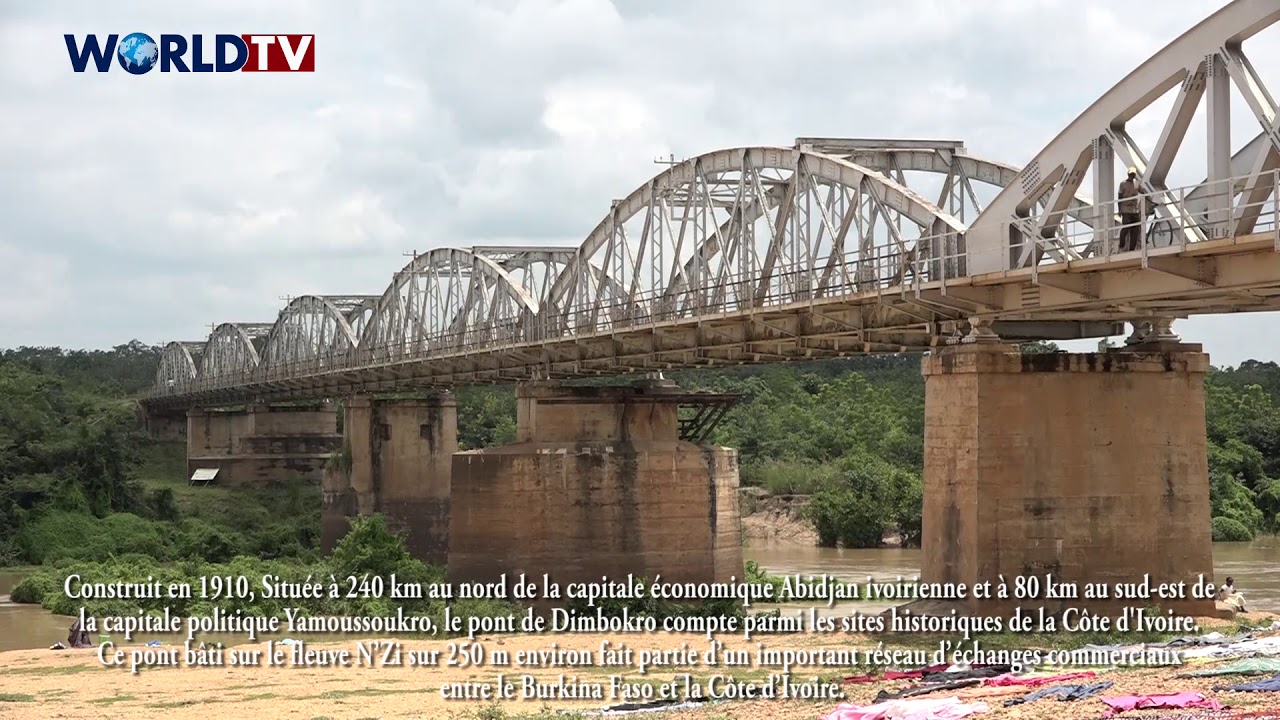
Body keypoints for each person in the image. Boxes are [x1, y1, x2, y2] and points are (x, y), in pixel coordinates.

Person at [1118, 167, 1143, 252]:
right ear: (1128, 174)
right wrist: (1119, 209)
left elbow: (1142, 191)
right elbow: (1120, 197)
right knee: (1126, 227)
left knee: (1135, 229)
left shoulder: (1137, 183)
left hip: (1134, 210)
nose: (1132, 175)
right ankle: (1121, 244)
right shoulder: (1123, 184)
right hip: (1126, 209)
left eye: (1133, 174)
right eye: (1131, 174)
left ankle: (1132, 248)